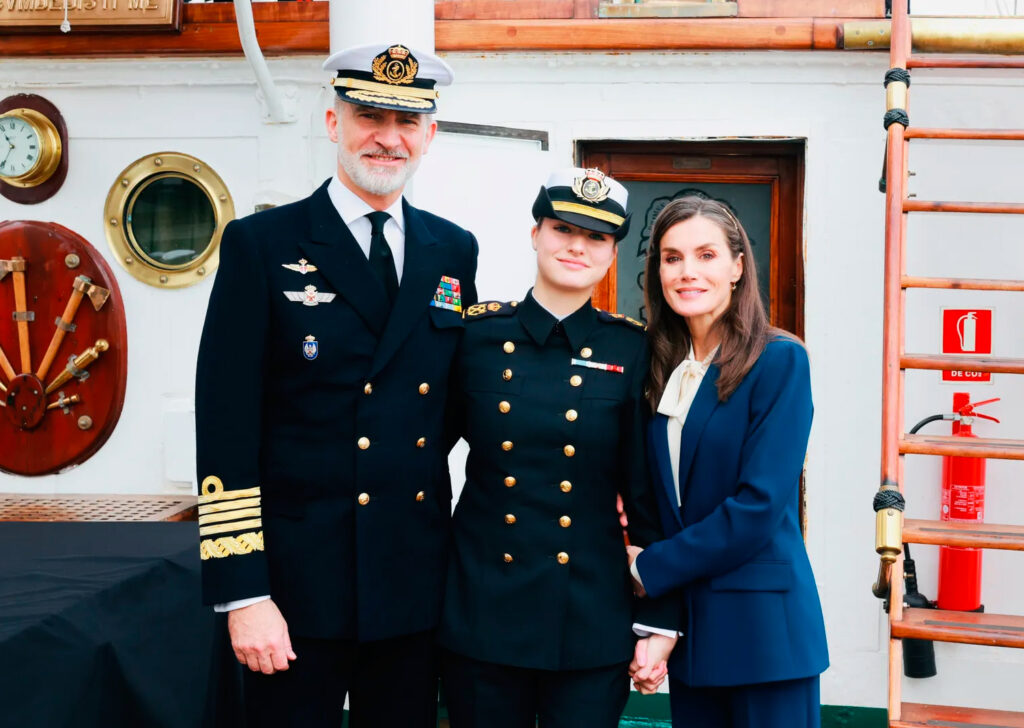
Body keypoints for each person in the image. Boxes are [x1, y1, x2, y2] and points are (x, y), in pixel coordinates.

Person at [194, 42, 479, 728]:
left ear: (429, 135)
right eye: (369, 117)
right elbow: (226, 425)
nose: (388, 138)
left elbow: (460, 403)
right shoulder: (262, 244)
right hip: (295, 588)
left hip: (411, 581)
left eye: (407, 122)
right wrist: (243, 593)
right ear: (333, 123)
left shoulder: (454, 248)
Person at [438, 168, 676, 728]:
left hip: (590, 613)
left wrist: (659, 617)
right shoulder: (473, 338)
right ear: (535, 234)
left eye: (596, 237)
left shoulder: (633, 348)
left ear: (613, 252)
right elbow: (418, 459)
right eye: (562, 228)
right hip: (483, 608)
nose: (577, 245)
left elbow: (647, 495)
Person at [626, 196, 828, 727]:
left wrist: (649, 568)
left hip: (765, 636)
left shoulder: (780, 360)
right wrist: (659, 625)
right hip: (695, 637)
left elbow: (758, 506)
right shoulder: (655, 363)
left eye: (706, 255)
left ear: (738, 267)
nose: (687, 272)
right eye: (671, 258)